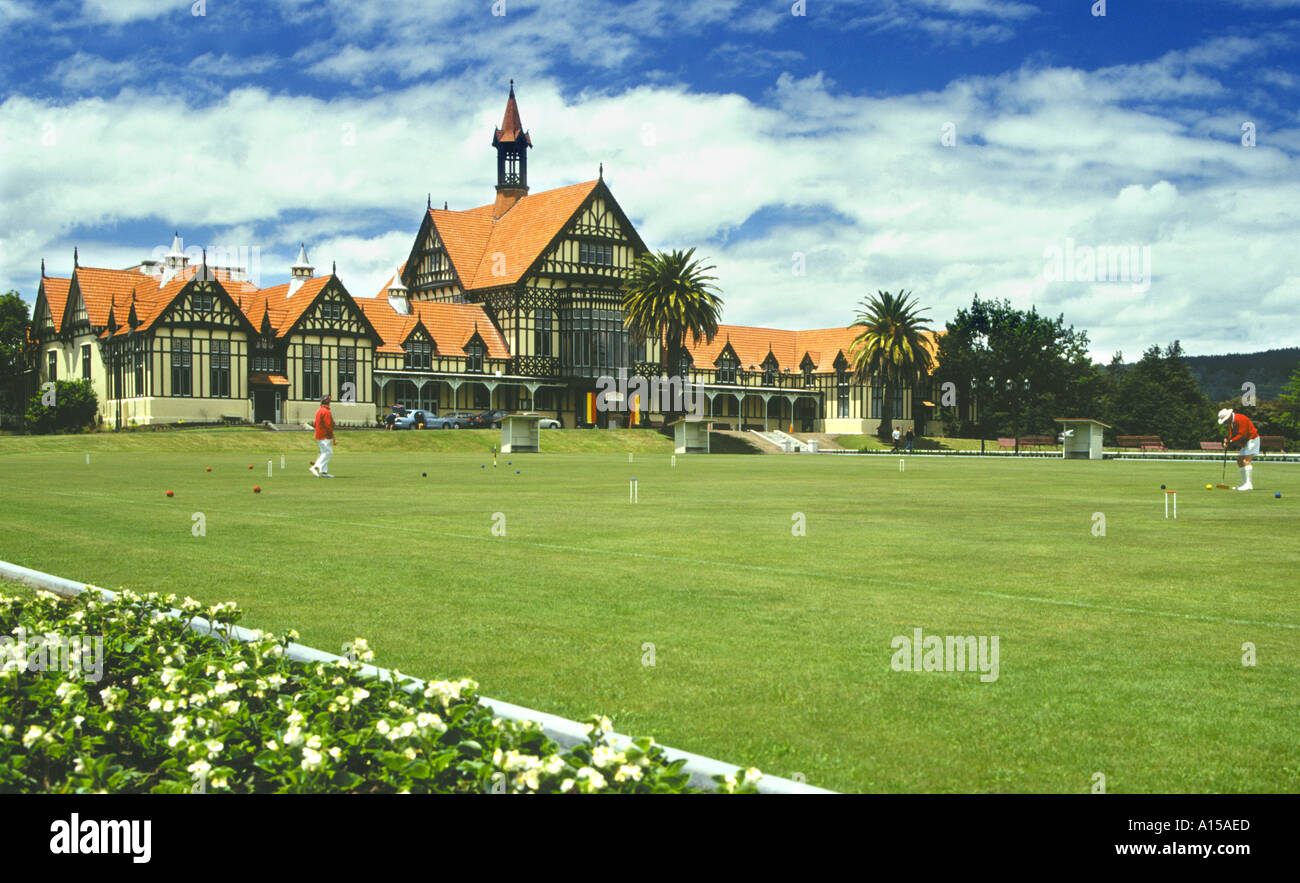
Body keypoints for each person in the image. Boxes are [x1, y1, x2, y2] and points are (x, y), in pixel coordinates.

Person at [1219, 407, 1259, 491]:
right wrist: (1227, 441)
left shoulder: (1240, 419)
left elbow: (1242, 434)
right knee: (1240, 461)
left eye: (1225, 420)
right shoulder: (1231, 422)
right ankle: (1244, 483)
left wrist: (1230, 441)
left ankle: (1249, 485)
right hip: (1246, 441)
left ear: (1229, 416)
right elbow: (1232, 435)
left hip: (1252, 439)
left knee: (1246, 461)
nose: (1225, 422)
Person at [310, 395, 336, 478]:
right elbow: (329, 426)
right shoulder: (326, 412)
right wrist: (333, 438)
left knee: (324, 453)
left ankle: (324, 472)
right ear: (328, 402)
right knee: (329, 453)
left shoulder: (319, 411)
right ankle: (315, 467)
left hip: (319, 435)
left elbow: (315, 423)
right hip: (325, 435)